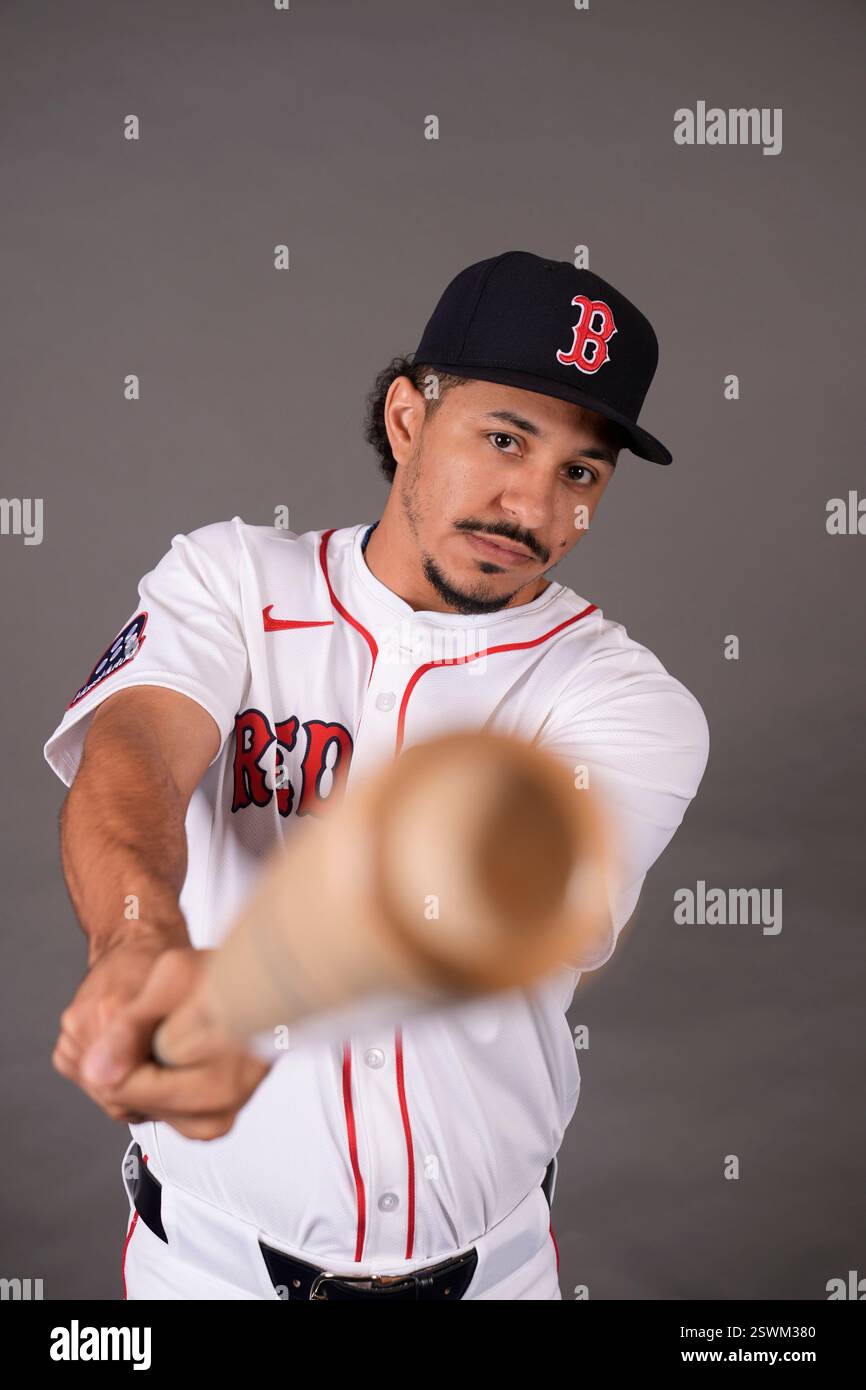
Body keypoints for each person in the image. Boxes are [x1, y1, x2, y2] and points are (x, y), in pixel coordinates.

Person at [44, 250, 710, 1300]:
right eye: (503, 437)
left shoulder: (626, 699)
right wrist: (136, 938)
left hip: (490, 1277)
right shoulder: (231, 580)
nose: (530, 504)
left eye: (579, 472)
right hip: (211, 1272)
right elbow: (133, 752)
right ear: (407, 418)